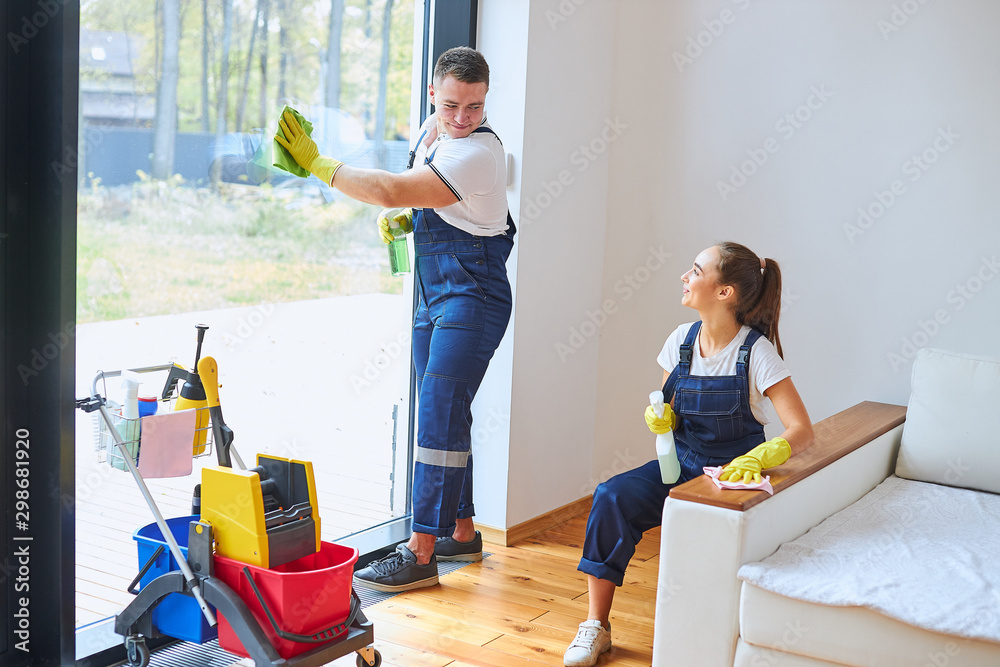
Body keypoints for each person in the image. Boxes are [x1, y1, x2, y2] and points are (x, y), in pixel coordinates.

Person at [275, 46, 514, 592]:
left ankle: (421, 552)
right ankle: (461, 531)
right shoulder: (436, 131)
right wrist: (411, 220)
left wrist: (318, 164)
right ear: (434, 94)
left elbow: (387, 187)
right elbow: (437, 201)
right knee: (446, 414)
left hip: (472, 296)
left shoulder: (478, 151)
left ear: (484, 101)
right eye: (452, 104)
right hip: (435, 290)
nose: (461, 118)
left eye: (474, 107)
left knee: (437, 415)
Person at [562, 242, 814, 667]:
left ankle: (710, 635)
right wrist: (663, 421)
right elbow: (672, 411)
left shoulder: (756, 353)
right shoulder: (681, 340)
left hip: (731, 480)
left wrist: (760, 458)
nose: (685, 276)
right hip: (678, 467)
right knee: (610, 496)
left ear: (724, 292)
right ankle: (596, 626)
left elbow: (802, 431)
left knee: (705, 543)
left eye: (696, 270)